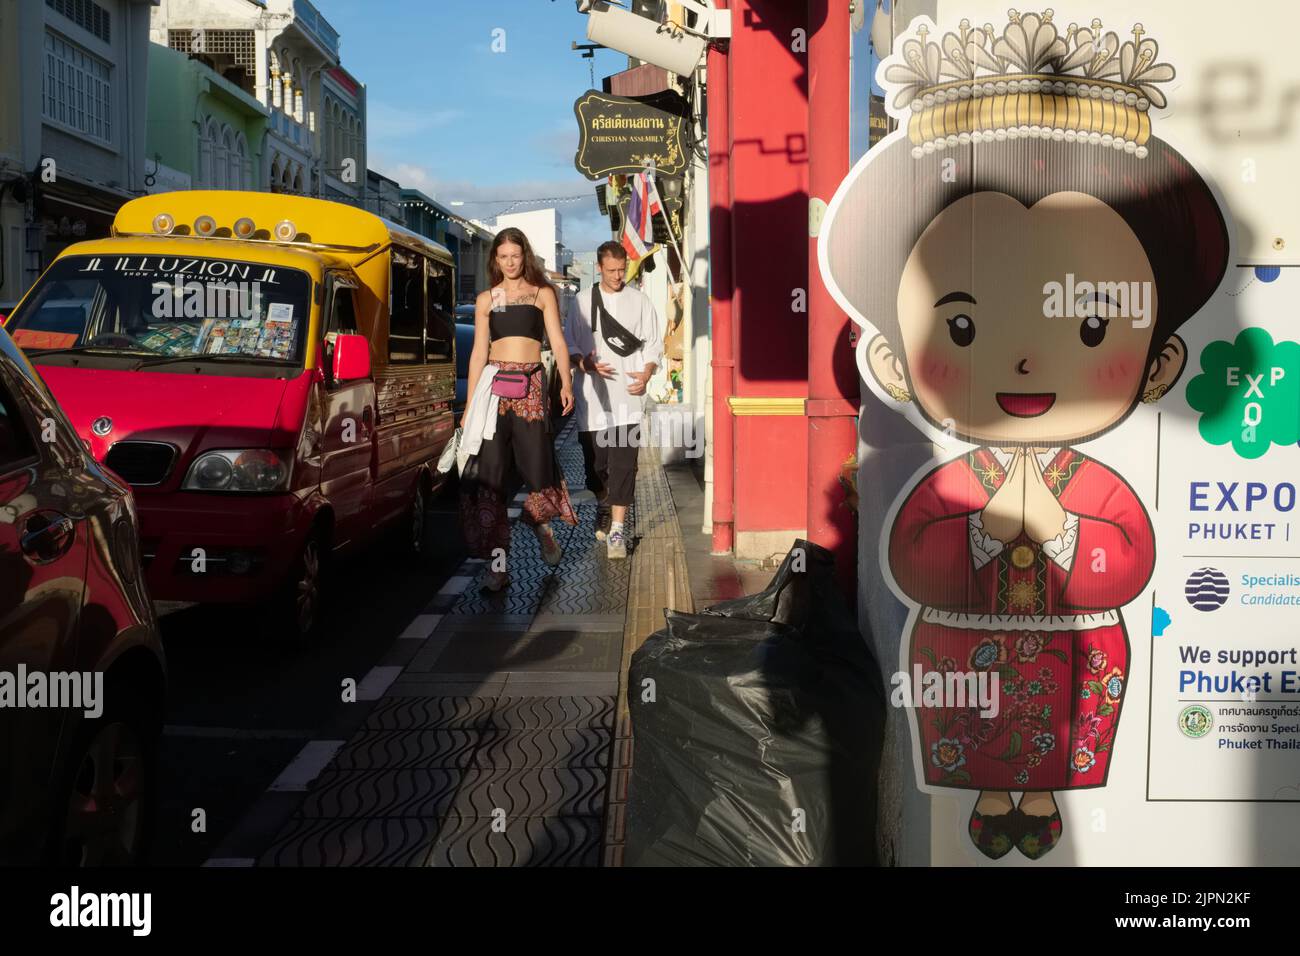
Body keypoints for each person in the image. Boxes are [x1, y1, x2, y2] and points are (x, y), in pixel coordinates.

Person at [819, 14, 1230, 861]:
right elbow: (910, 555)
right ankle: (996, 798)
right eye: (961, 326)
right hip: (961, 650)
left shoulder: (1093, 485)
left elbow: (1133, 555)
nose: (1026, 357)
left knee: (1057, 717)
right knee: (976, 718)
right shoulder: (948, 476)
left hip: (1072, 645)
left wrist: (1066, 532)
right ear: (894, 362)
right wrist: (977, 530)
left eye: (1091, 327)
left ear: (1158, 365)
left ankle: (1039, 799)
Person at [459, 228, 577, 591]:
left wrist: (567, 383)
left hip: (531, 387)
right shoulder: (485, 300)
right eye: (503, 256)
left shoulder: (542, 294)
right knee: (491, 480)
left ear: (524, 256)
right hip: (494, 392)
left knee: (537, 467)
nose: (509, 262)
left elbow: (557, 339)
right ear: (495, 259)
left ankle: (541, 525)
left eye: (515, 255)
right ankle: (499, 569)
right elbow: (479, 352)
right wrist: (469, 408)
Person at [563, 241, 664, 559]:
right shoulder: (582, 301)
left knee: (624, 466)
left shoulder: (640, 300)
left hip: (629, 401)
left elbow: (653, 342)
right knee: (597, 468)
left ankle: (618, 531)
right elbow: (568, 343)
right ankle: (604, 501)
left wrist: (646, 373)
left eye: (622, 270)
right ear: (599, 267)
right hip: (593, 402)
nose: (618, 276)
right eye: (611, 271)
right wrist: (584, 364)